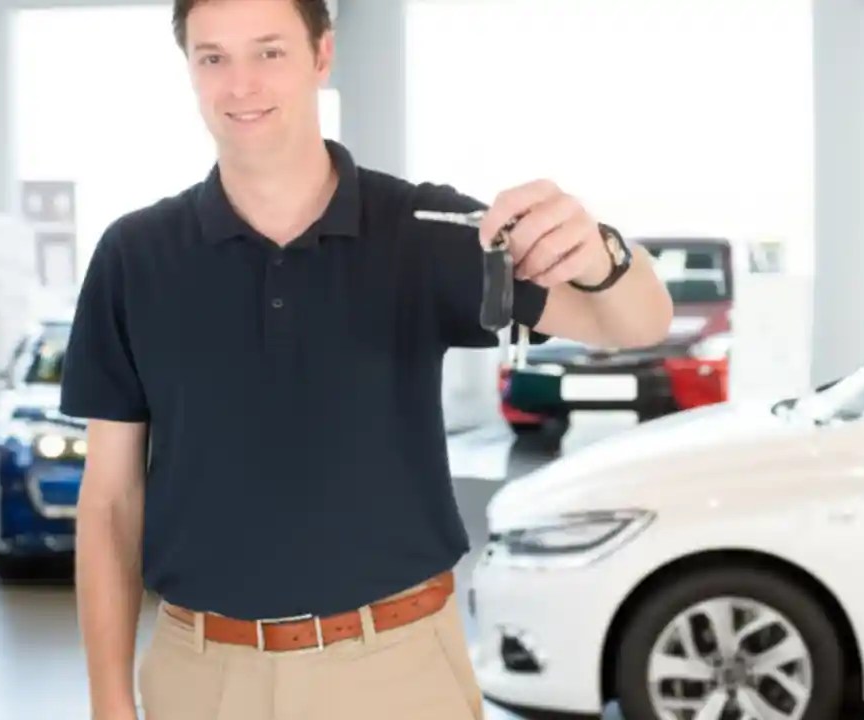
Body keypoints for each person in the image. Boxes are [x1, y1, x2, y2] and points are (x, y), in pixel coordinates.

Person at [60, 1, 673, 718]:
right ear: (190, 69)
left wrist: (604, 256)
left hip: (397, 672)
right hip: (200, 678)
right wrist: (108, 698)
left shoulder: (426, 233)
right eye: (213, 57)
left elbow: (634, 322)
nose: (241, 84)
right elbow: (108, 503)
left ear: (322, 56)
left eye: (269, 52)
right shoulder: (135, 256)